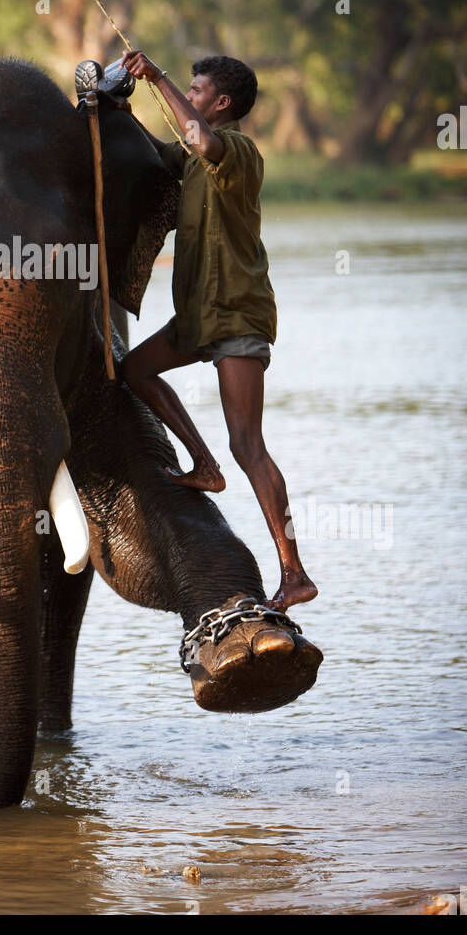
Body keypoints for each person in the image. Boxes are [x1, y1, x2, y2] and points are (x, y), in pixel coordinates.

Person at [115, 49, 317, 612]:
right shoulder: (195, 160)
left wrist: (157, 77)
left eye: (196, 88)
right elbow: (164, 155)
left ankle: (294, 572)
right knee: (133, 370)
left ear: (221, 104)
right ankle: (203, 464)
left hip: (236, 312)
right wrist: (116, 110)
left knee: (249, 443)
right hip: (198, 316)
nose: (190, 92)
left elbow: (200, 141)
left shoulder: (239, 154)